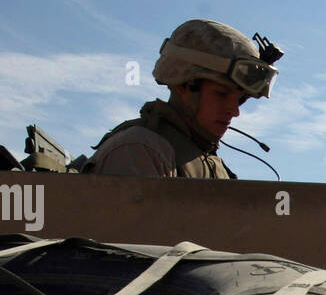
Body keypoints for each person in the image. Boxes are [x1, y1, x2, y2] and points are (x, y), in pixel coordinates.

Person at [83, 19, 279, 179]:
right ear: (182, 85)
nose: (234, 111)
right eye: (221, 94)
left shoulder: (205, 159)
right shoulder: (140, 149)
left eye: (239, 100)